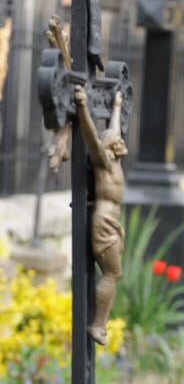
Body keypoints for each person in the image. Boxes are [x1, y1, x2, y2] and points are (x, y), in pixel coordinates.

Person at [74, 86, 127, 346]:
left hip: (112, 223)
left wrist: (116, 107)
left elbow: (112, 130)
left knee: (113, 273)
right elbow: (92, 138)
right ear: (111, 146)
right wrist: (83, 107)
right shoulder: (104, 161)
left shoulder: (115, 162)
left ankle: (99, 324)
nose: (121, 141)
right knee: (112, 273)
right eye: (117, 140)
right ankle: (97, 324)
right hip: (104, 222)